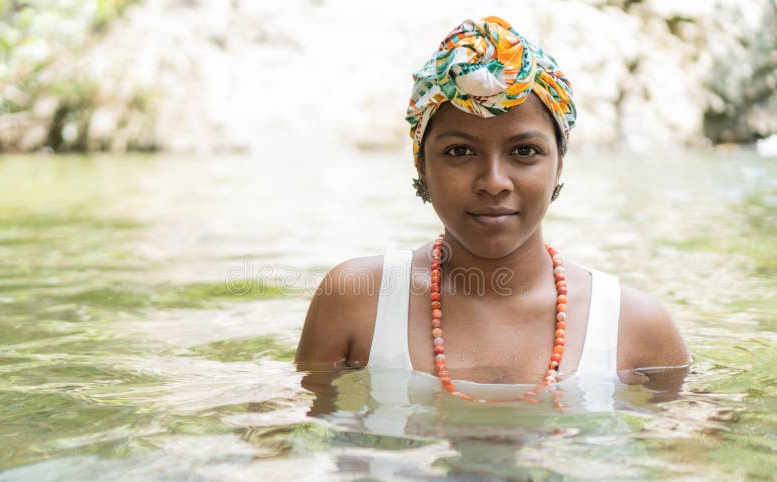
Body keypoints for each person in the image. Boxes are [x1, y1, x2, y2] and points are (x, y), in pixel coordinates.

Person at [295, 16, 689, 404]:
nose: (494, 181)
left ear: (559, 165)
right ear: (421, 166)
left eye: (524, 151)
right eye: (460, 151)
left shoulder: (635, 326)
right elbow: (291, 449)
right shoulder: (356, 303)